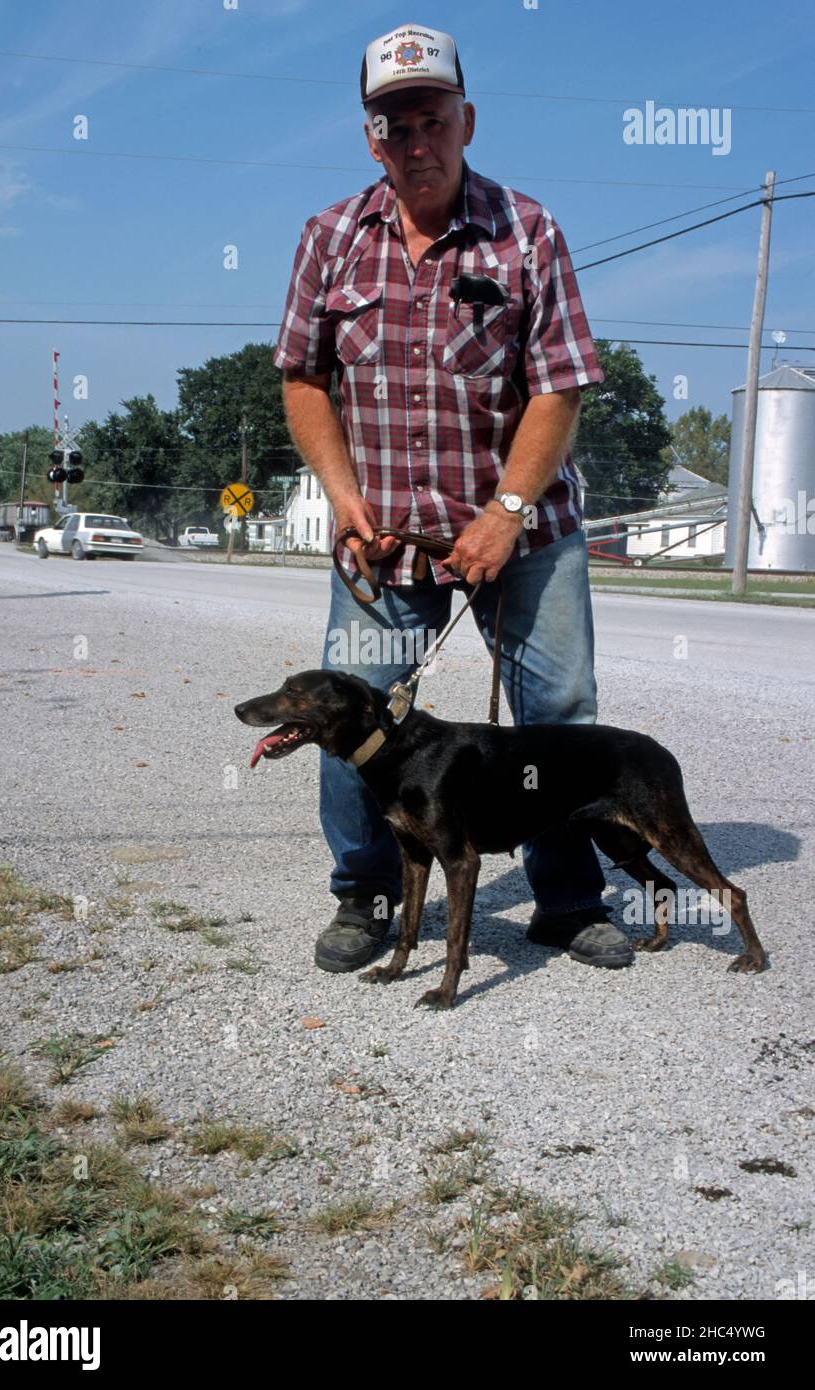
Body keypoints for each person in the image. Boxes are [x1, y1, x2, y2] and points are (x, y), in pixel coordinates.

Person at [272, 22, 634, 976]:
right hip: (383, 542)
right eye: (393, 125)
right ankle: (367, 894)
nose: (415, 141)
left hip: (527, 530)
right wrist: (343, 498)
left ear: (466, 120)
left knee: (555, 715)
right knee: (350, 716)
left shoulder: (528, 230)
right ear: (369, 137)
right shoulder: (329, 239)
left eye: (431, 118)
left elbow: (560, 386)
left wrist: (504, 513)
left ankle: (567, 900)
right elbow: (304, 380)